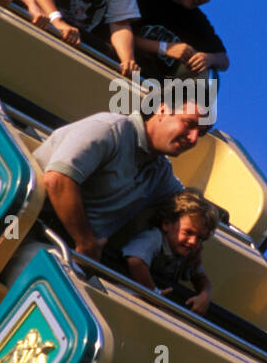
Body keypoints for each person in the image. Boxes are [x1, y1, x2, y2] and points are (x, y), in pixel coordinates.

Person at [33, 101, 203, 260]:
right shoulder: (110, 128)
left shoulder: (161, 172)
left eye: (200, 133)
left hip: (75, 253)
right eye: (189, 124)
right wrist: (85, 242)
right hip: (30, 228)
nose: (194, 139)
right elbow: (57, 180)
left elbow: (192, 204)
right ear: (163, 111)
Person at [121, 189, 218, 316]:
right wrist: (152, 292)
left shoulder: (189, 253)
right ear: (167, 223)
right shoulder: (154, 238)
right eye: (188, 232)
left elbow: (199, 276)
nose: (193, 241)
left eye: (200, 238)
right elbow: (135, 260)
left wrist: (205, 294)